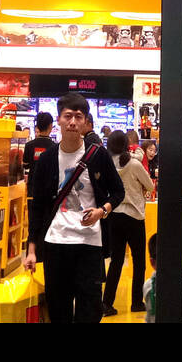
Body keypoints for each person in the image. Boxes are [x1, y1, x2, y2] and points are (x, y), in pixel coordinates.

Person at [24, 93, 125, 323]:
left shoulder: (98, 155)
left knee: (89, 309)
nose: (72, 122)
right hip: (55, 243)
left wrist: (102, 211)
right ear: (58, 120)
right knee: (58, 308)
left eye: (78, 117)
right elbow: (37, 206)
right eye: (67, 116)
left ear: (86, 122)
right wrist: (31, 249)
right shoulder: (47, 159)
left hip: (89, 244)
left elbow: (118, 192)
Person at [102, 130, 154, 315]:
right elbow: (150, 185)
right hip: (134, 216)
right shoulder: (133, 164)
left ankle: (106, 303)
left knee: (116, 261)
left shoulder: (107, 164)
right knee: (139, 262)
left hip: (114, 215)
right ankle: (136, 302)